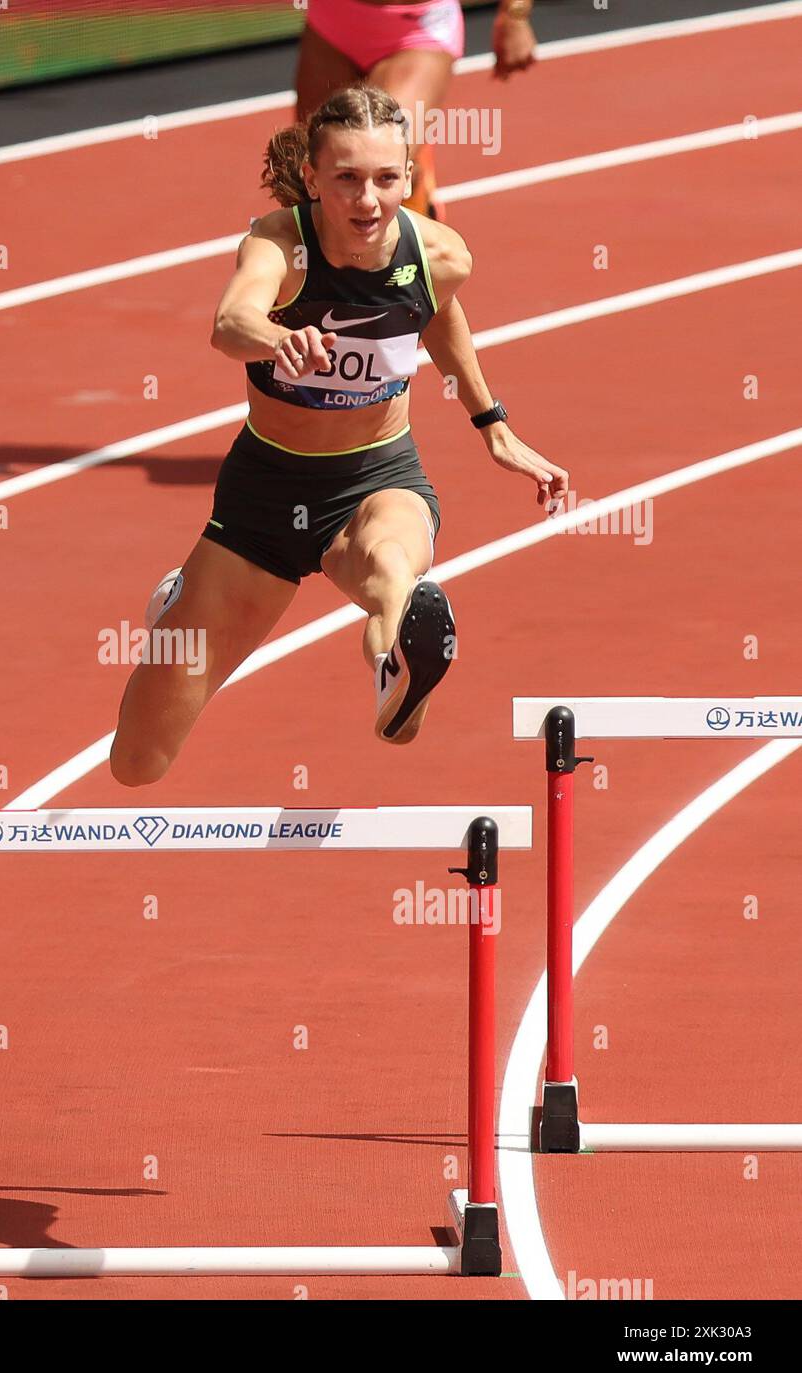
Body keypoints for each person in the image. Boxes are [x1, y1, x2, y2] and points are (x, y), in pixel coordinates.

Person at [108, 84, 566, 788]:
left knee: (394, 572)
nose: (369, 200)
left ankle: (397, 677)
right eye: (347, 179)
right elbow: (229, 322)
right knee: (138, 765)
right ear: (314, 179)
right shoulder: (277, 243)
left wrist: (492, 425)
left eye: (387, 179)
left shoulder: (441, 254)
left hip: (377, 477)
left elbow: (437, 314)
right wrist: (276, 338)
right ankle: (181, 603)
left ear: (410, 178)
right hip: (263, 500)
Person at [294, 0, 539, 219]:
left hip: (416, 27)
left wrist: (514, 14)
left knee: (376, 160)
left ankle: (414, 214)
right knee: (311, 172)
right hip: (331, 19)